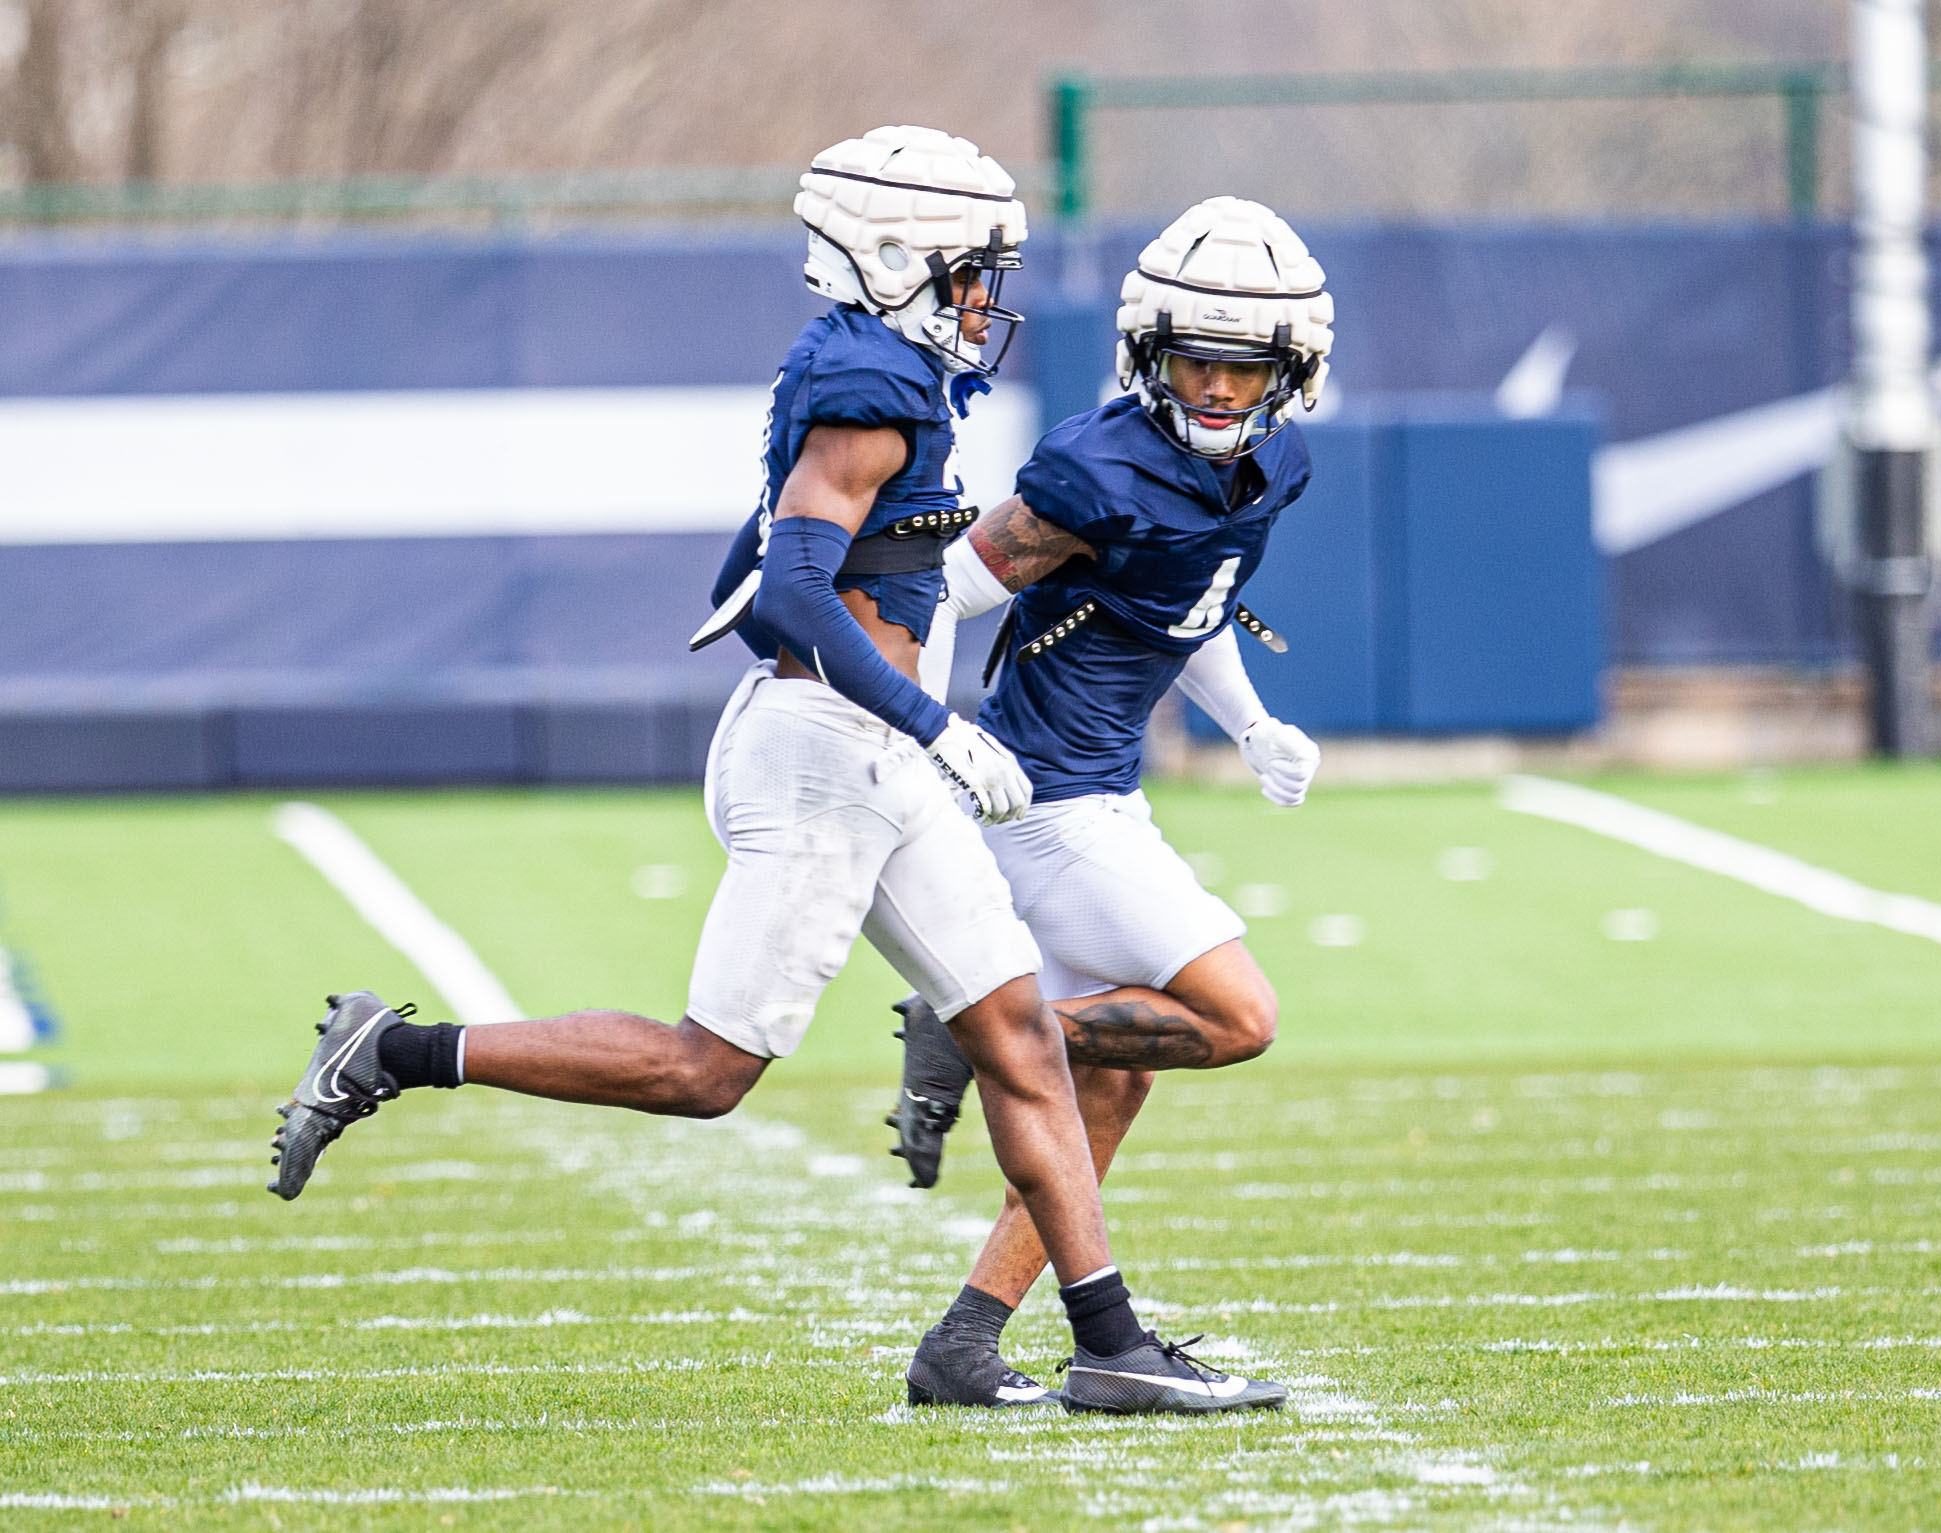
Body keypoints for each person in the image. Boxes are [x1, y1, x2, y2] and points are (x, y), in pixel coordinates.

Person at [264, 130, 1283, 1417]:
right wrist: (934, 718)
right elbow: (799, 587)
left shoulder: (889, 370)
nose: (984, 299)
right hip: (825, 751)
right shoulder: (870, 383)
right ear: (901, 260)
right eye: (969, 272)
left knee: (1021, 1039)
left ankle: (1098, 1344)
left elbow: (788, 561)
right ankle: (397, 1050)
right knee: (707, 1072)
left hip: (871, 752)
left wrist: (905, 711)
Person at [885, 197, 1332, 1408]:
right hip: (1040, 804)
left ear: (1291, 372)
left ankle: (966, 1343)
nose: (1222, 391)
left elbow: (1181, 610)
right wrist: (934, 742)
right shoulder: (1096, 467)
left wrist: (1248, 724)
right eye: (1198, 361)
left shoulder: (1274, 462)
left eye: (1247, 370)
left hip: (1103, 799)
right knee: (1238, 1017)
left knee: (1117, 1078)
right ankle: (976, 1031)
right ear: (1151, 349)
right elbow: (940, 592)